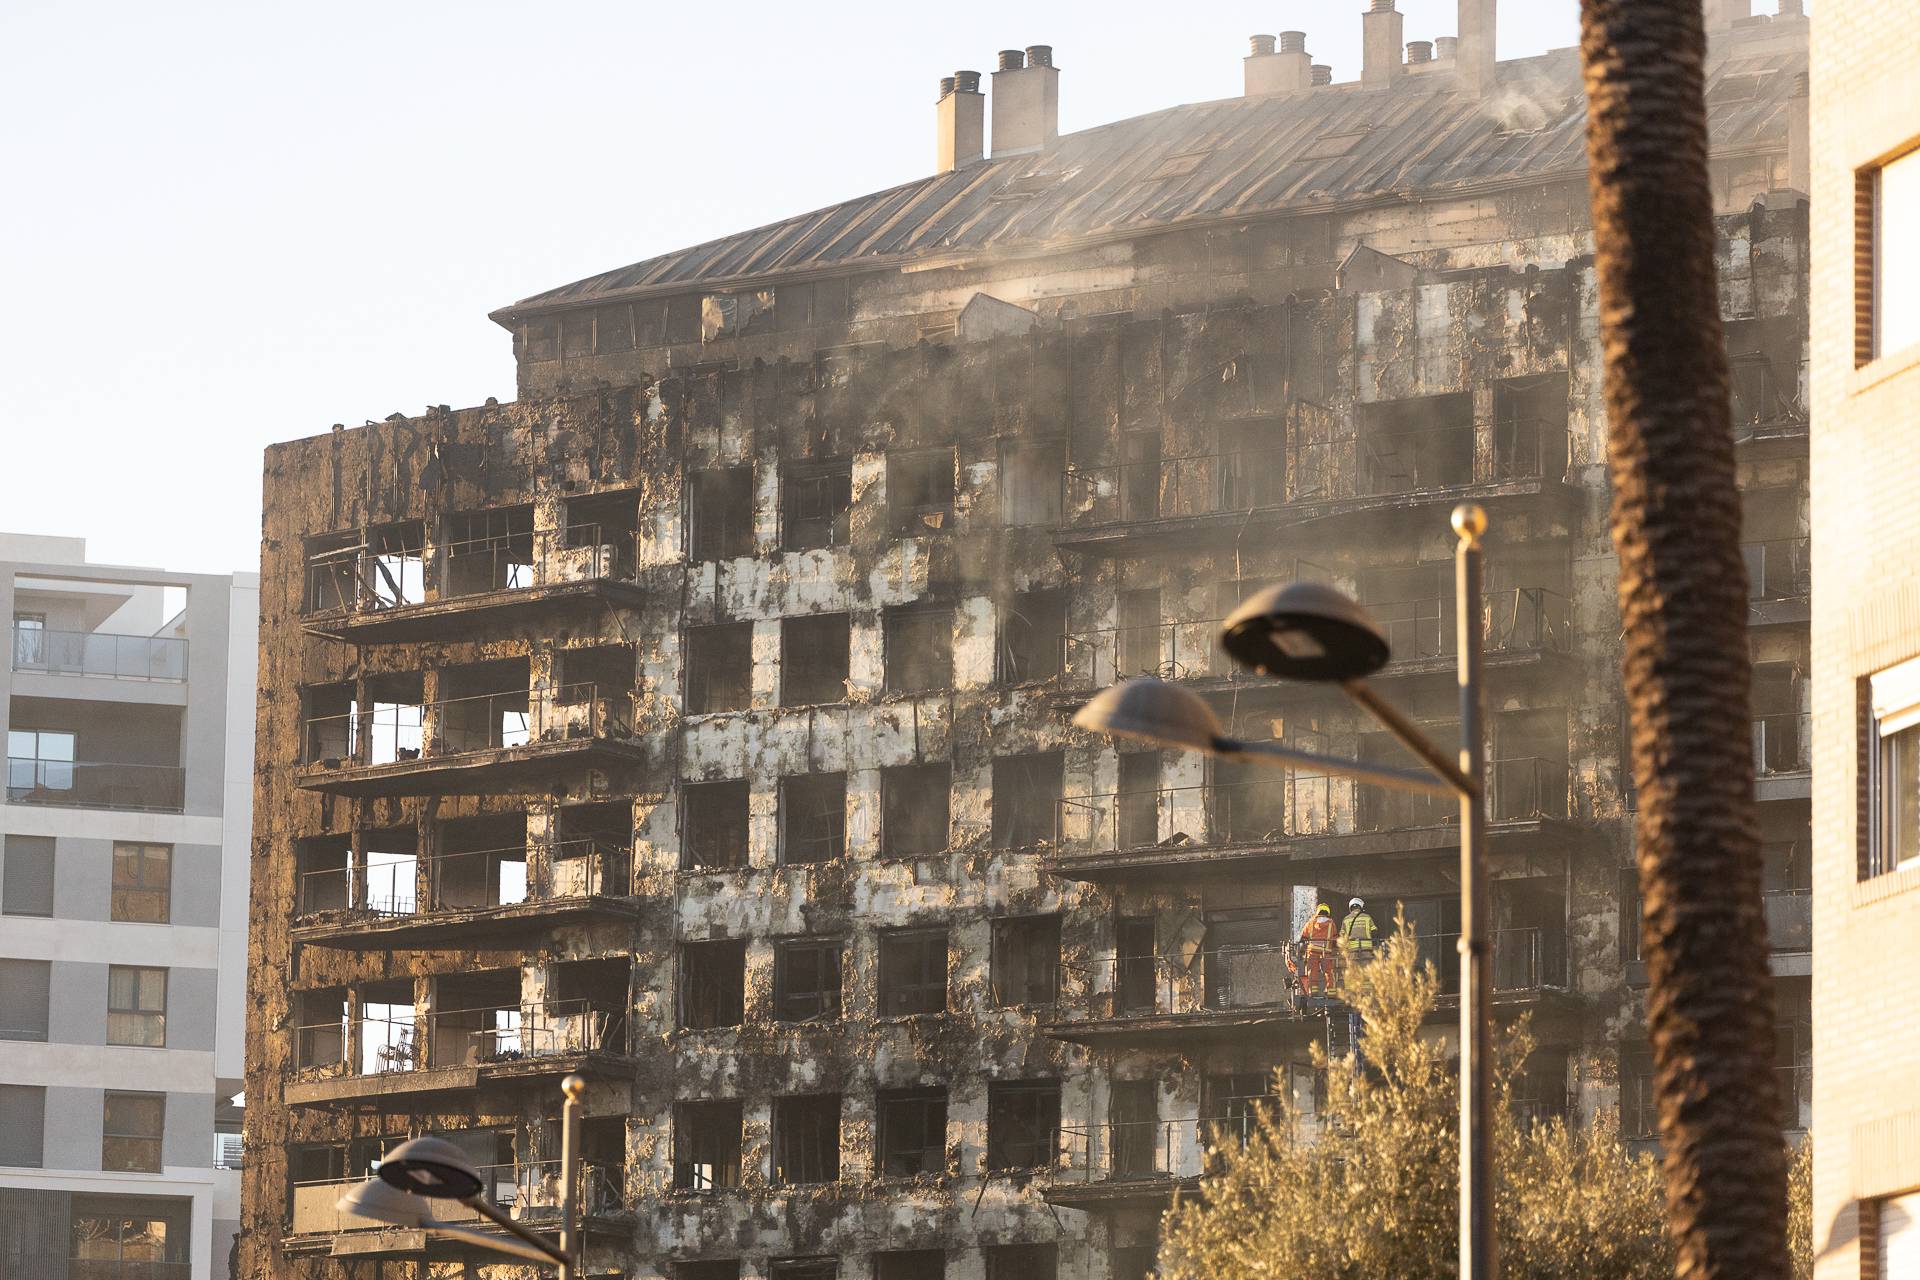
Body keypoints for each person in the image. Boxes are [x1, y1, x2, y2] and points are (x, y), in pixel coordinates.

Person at [1299, 902, 1338, 996]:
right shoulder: (1331, 923)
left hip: (1312, 952)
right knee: (1329, 972)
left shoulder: (1310, 923)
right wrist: (1335, 949)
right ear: (1328, 912)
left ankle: (1313, 992)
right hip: (1326, 953)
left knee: (1312, 972)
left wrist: (1301, 952)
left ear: (1318, 912)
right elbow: (1335, 938)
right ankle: (1331, 992)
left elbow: (1303, 938)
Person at [1340, 896, 1377, 972]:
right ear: (1361, 906)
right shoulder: (1367, 917)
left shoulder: (1346, 919)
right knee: (1367, 970)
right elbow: (1374, 931)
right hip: (1366, 948)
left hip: (1352, 949)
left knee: (1354, 971)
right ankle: (1367, 984)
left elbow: (1342, 935)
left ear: (1350, 907)